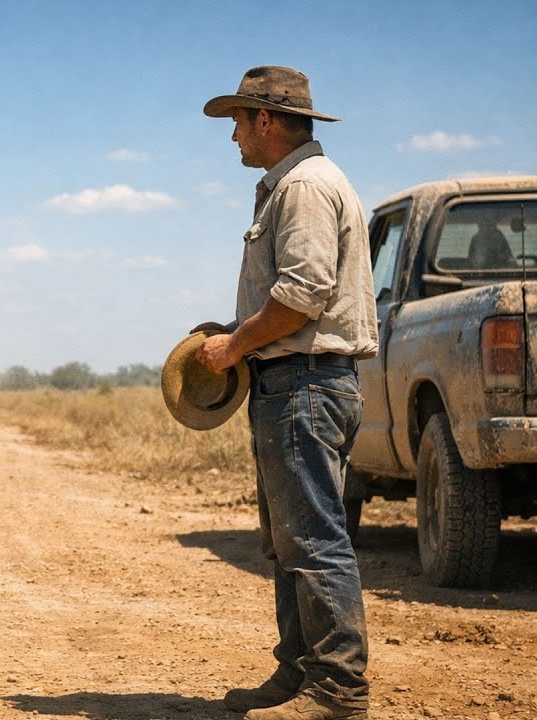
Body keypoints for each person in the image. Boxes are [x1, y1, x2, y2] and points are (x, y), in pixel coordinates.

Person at [195, 66, 379, 720]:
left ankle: (335, 691)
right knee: (292, 541)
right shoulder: (296, 186)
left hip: (304, 382)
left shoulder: (301, 188)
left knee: (313, 541)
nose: (235, 136)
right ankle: (299, 675)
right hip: (296, 383)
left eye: (240, 122)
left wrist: (234, 346)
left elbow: (301, 297)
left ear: (268, 121)